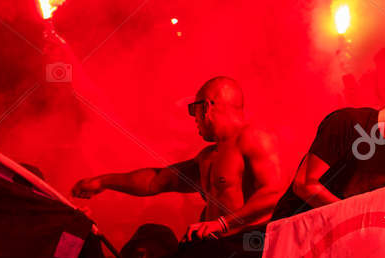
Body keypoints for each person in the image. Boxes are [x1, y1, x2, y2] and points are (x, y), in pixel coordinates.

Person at [72, 76, 283, 241]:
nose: (195, 120)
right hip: (215, 251)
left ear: (207, 107)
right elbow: (157, 180)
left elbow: (273, 194)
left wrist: (222, 224)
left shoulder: (254, 138)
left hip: (249, 249)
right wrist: (104, 181)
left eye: (194, 110)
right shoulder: (208, 157)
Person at [271, 72, 385, 218]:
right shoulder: (347, 122)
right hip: (294, 227)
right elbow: (305, 185)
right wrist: (354, 216)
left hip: (341, 237)